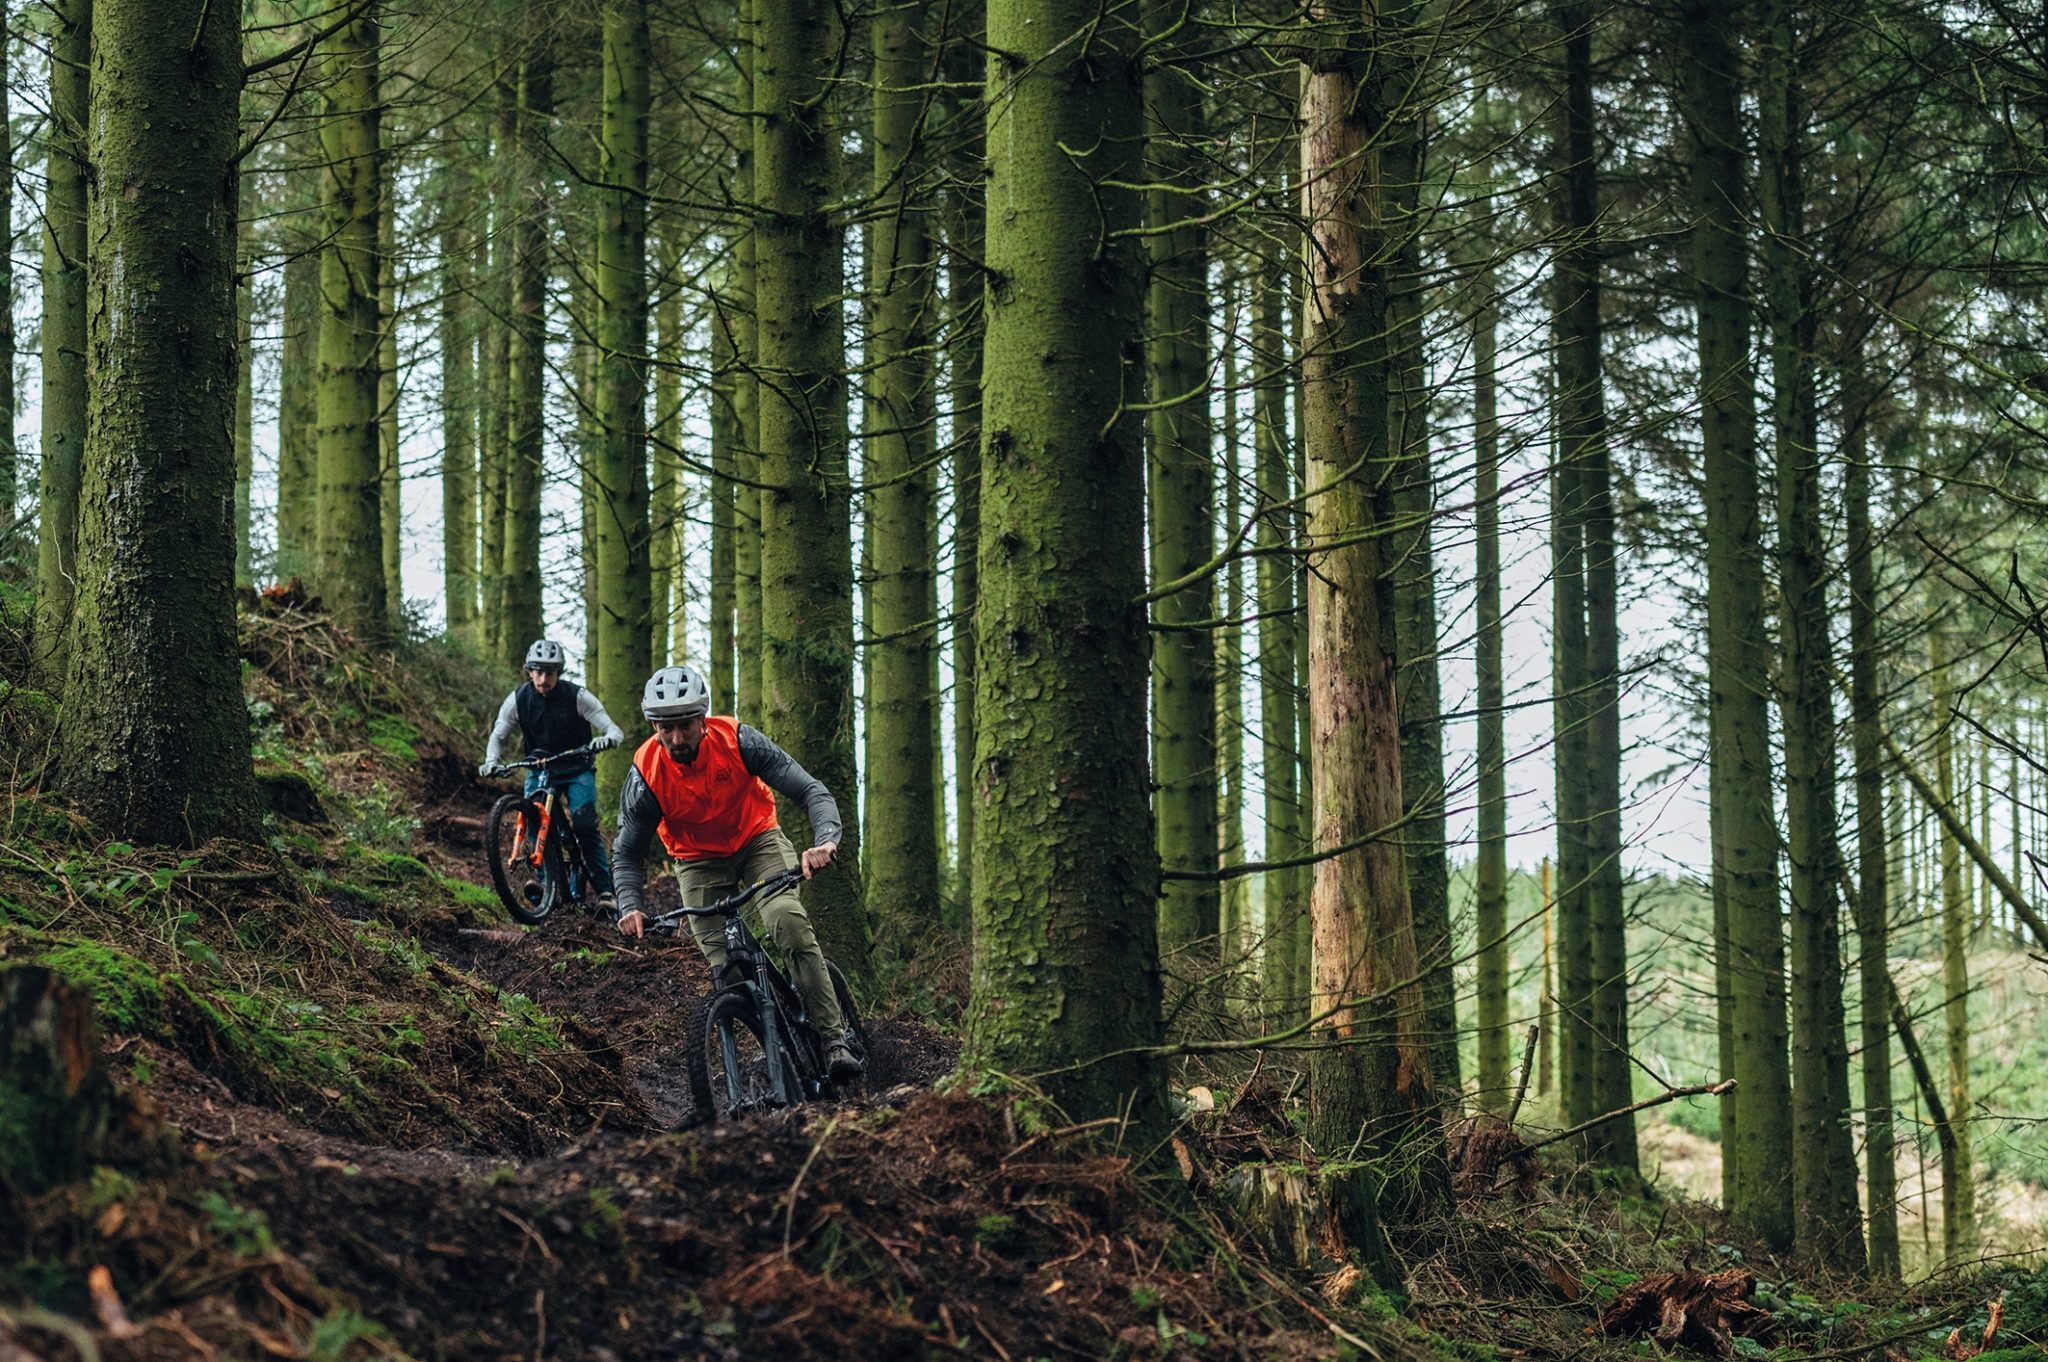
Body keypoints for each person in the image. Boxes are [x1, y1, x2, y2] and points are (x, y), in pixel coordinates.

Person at [610, 664, 861, 1081]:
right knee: (726, 969)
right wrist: (630, 905)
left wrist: (825, 840)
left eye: (685, 726)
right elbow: (626, 853)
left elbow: (810, 790)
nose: (675, 739)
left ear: (703, 720)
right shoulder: (647, 773)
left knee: (786, 922)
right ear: (653, 726)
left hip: (756, 840)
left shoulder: (738, 740)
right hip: (696, 860)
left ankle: (833, 1039)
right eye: (664, 728)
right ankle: (778, 1048)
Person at [479, 639, 624, 911]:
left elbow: (613, 729)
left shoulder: (577, 696)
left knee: (583, 824)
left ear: (559, 672)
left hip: (576, 768)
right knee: (534, 822)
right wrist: (491, 761)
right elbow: (498, 734)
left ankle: (606, 891)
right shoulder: (518, 700)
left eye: (550, 672)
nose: (544, 678)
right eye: (538, 671)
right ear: (529, 671)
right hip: (539, 768)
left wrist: (607, 739)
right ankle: (547, 885)